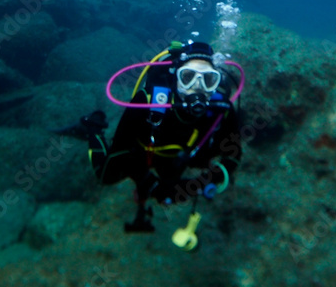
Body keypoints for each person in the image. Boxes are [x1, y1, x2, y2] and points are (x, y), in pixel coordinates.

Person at [81, 41, 242, 242]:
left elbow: (234, 154)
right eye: (188, 77)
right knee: (105, 175)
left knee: (172, 184)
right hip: (141, 153)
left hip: (181, 157)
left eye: (208, 79)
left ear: (216, 83)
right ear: (176, 77)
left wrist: (203, 181)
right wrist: (148, 182)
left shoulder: (222, 109)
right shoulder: (148, 100)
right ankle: (92, 126)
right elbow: (122, 148)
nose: (197, 87)